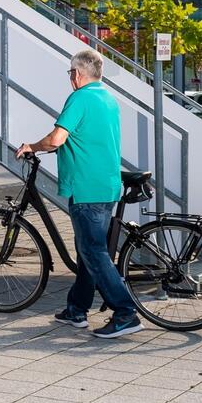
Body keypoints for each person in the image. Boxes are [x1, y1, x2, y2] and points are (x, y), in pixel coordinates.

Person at [16, 47, 142, 339]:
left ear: (76, 74)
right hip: (106, 185)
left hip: (87, 188)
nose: (70, 78)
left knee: (93, 251)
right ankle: (77, 309)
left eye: (70, 73)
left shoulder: (80, 97)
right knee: (87, 249)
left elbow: (57, 139)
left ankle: (126, 313)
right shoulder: (108, 99)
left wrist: (30, 147)